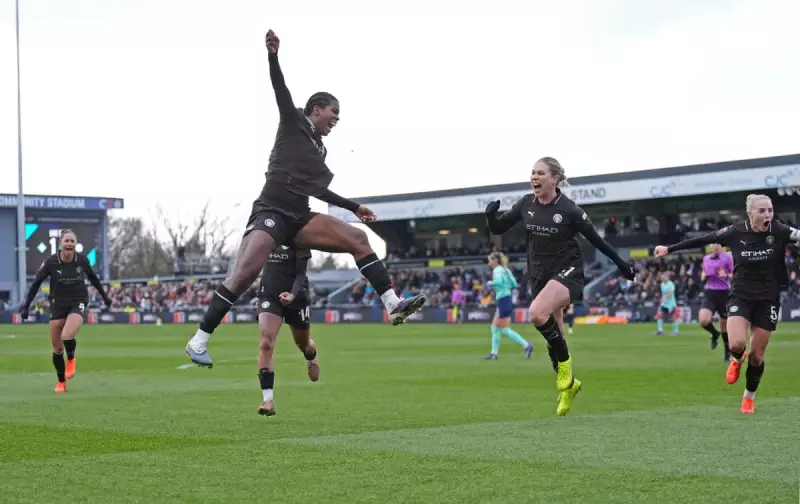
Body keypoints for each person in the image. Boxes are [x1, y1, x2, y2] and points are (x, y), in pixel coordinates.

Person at [185, 29, 426, 368]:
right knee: (244, 274)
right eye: (334, 113)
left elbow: (317, 190)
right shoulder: (293, 119)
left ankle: (393, 303)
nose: (336, 120)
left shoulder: (320, 148)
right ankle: (198, 341)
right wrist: (273, 55)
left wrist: (353, 208)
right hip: (271, 209)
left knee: (357, 238)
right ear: (316, 109)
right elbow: (279, 89)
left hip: (299, 215)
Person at [485, 157, 635, 416]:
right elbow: (499, 226)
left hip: (569, 272)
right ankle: (569, 387)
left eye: (540, 173)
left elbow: (596, 240)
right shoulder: (525, 203)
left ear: (554, 179)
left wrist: (621, 264)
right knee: (557, 338)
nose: (534, 177)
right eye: (532, 172)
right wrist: (490, 215)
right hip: (539, 276)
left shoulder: (569, 210)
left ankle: (565, 368)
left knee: (536, 313)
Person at [654, 194, 799, 414]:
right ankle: (736, 359)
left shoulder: (779, 230)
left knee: (757, 357)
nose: (767, 214)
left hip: (768, 298)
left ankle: (748, 398)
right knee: (737, 344)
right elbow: (703, 239)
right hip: (740, 295)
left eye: (769, 210)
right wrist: (669, 249)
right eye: (762, 211)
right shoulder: (735, 232)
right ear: (750, 214)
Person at [19, 229, 112, 392]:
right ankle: (61, 381)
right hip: (57, 303)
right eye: (66, 241)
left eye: (72, 241)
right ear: (61, 244)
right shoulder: (50, 262)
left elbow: (93, 279)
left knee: (67, 336)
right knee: (57, 348)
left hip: (78, 301)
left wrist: (105, 297)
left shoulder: (82, 261)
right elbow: (36, 283)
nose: (69, 243)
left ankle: (71, 358)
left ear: (75, 245)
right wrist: (26, 305)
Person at [255, 243, 319, 416]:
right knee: (266, 343)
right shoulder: (265, 235)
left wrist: (292, 295)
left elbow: (301, 273)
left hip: (296, 297)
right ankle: (268, 400)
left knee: (303, 343)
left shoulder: (299, 238)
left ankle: (311, 355)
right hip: (268, 295)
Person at [483, 252, 533, 360]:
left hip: (502, 299)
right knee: (495, 327)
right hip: (507, 298)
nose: (489, 263)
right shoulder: (506, 270)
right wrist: (504, 286)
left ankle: (526, 345)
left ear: (495, 260)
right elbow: (514, 284)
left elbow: (499, 281)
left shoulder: (497, 270)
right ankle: (494, 353)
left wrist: (490, 283)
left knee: (502, 329)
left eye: (490, 260)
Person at [699, 243, 733, 361]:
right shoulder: (706, 258)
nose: (715, 247)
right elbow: (704, 272)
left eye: (718, 245)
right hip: (710, 293)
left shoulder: (727, 257)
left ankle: (727, 354)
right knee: (703, 320)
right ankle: (714, 334)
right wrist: (703, 275)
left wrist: (727, 275)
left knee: (725, 327)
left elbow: (735, 274)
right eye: (713, 244)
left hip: (724, 293)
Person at [654, 271, 679, 336]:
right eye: (662, 278)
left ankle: (675, 331)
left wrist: (665, 297)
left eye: (664, 278)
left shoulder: (671, 284)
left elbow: (671, 292)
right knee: (659, 316)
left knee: (673, 318)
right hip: (664, 304)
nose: (663, 279)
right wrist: (660, 297)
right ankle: (660, 330)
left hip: (671, 304)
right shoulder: (662, 284)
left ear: (667, 277)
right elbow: (662, 293)